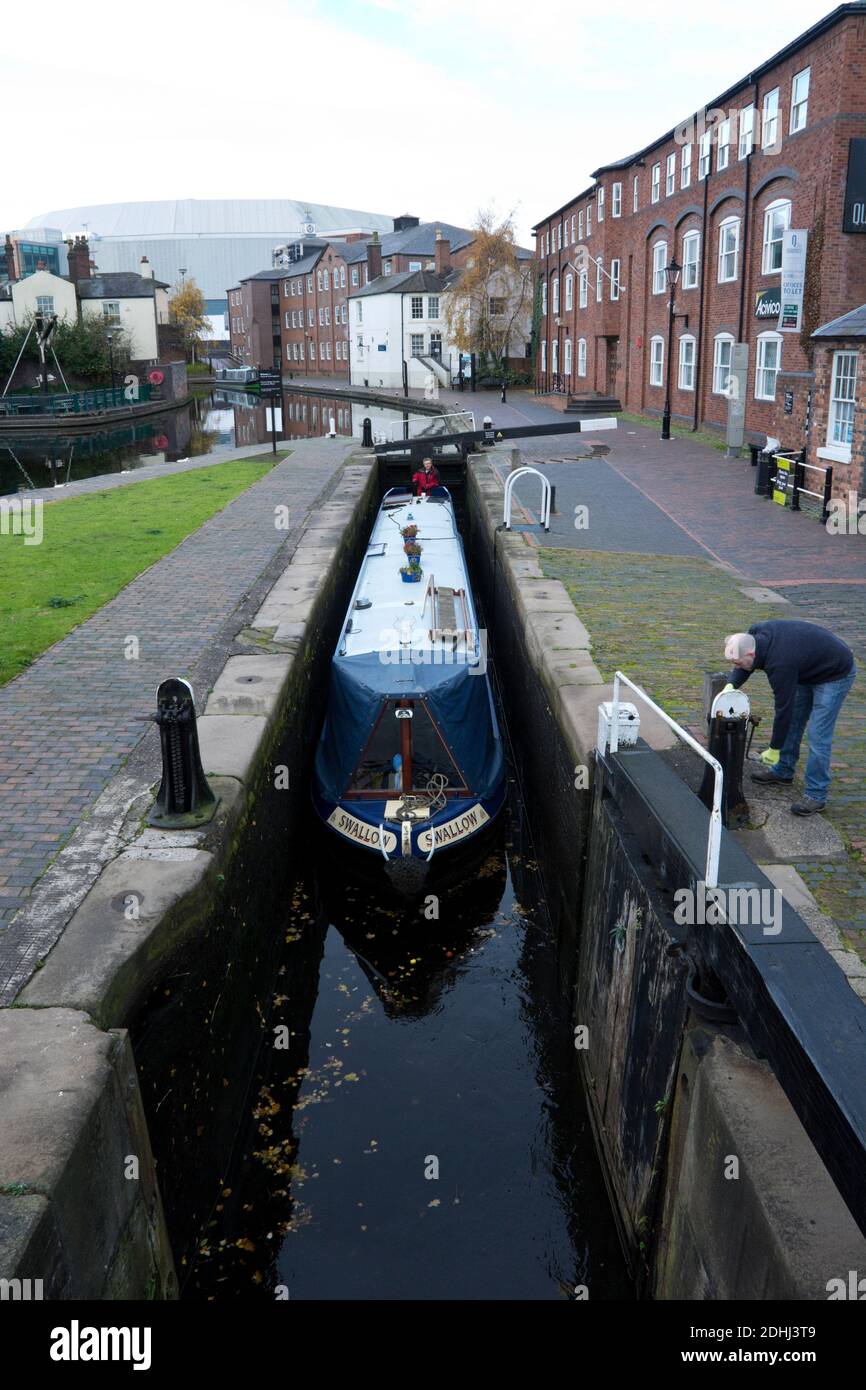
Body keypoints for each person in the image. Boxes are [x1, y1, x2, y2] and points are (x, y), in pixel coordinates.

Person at [723, 622, 855, 816]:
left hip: (834, 673)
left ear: (751, 654)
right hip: (805, 667)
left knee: (818, 736)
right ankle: (783, 771)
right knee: (794, 722)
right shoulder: (754, 634)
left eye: (738, 663)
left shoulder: (780, 663)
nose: (737, 667)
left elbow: (784, 708)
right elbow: (745, 666)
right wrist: (731, 685)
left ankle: (816, 795)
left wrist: (774, 748)